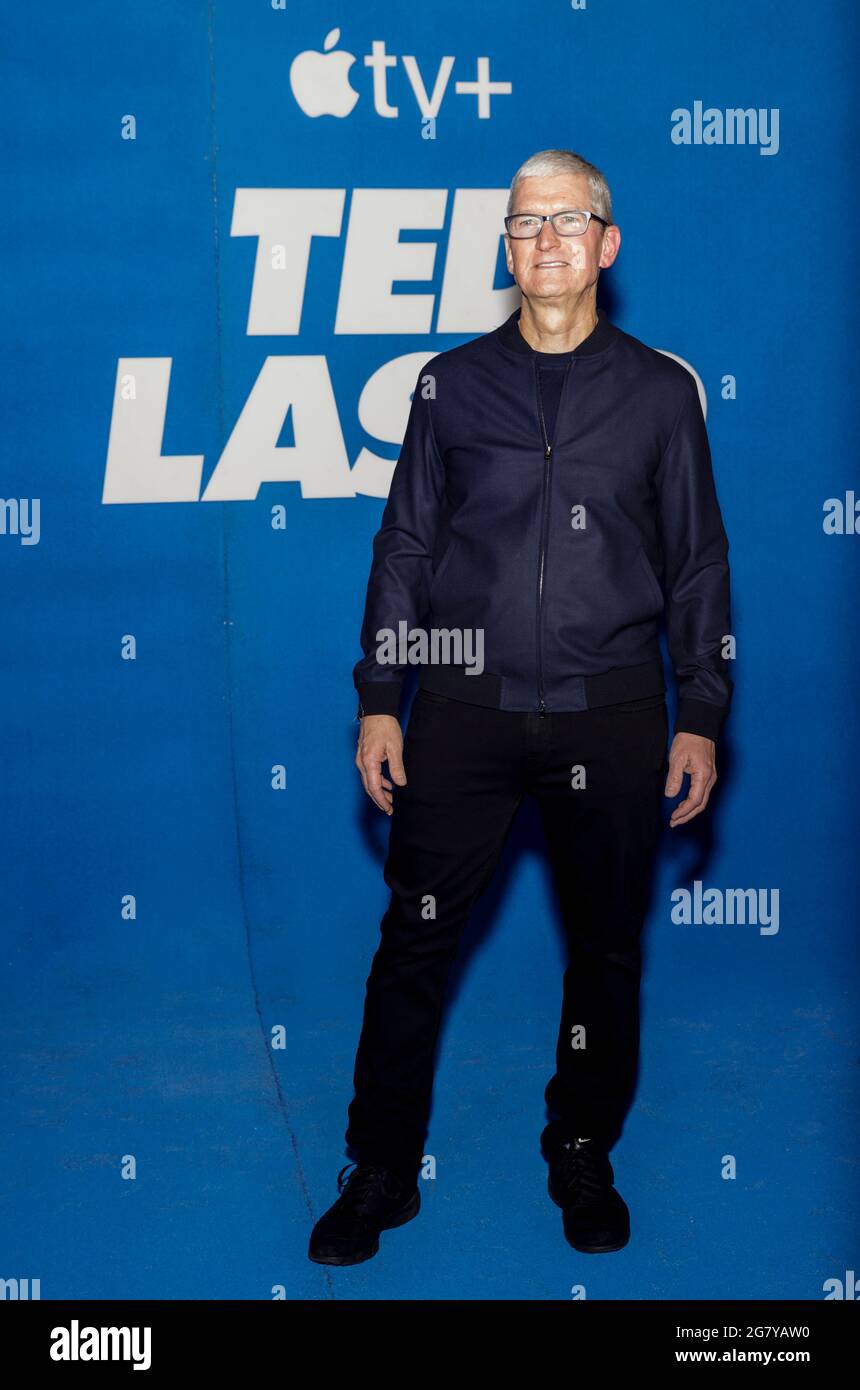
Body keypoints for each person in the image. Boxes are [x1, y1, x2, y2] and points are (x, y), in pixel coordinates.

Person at [309, 148, 733, 1266]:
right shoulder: (448, 384)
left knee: (604, 950)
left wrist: (698, 710)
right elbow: (403, 548)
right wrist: (378, 697)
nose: (542, 241)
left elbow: (696, 565)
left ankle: (580, 1144)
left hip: (611, 714)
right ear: (506, 247)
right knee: (413, 944)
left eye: (565, 221)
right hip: (461, 709)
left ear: (605, 244)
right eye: (521, 224)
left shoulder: (657, 394)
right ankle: (381, 1166)